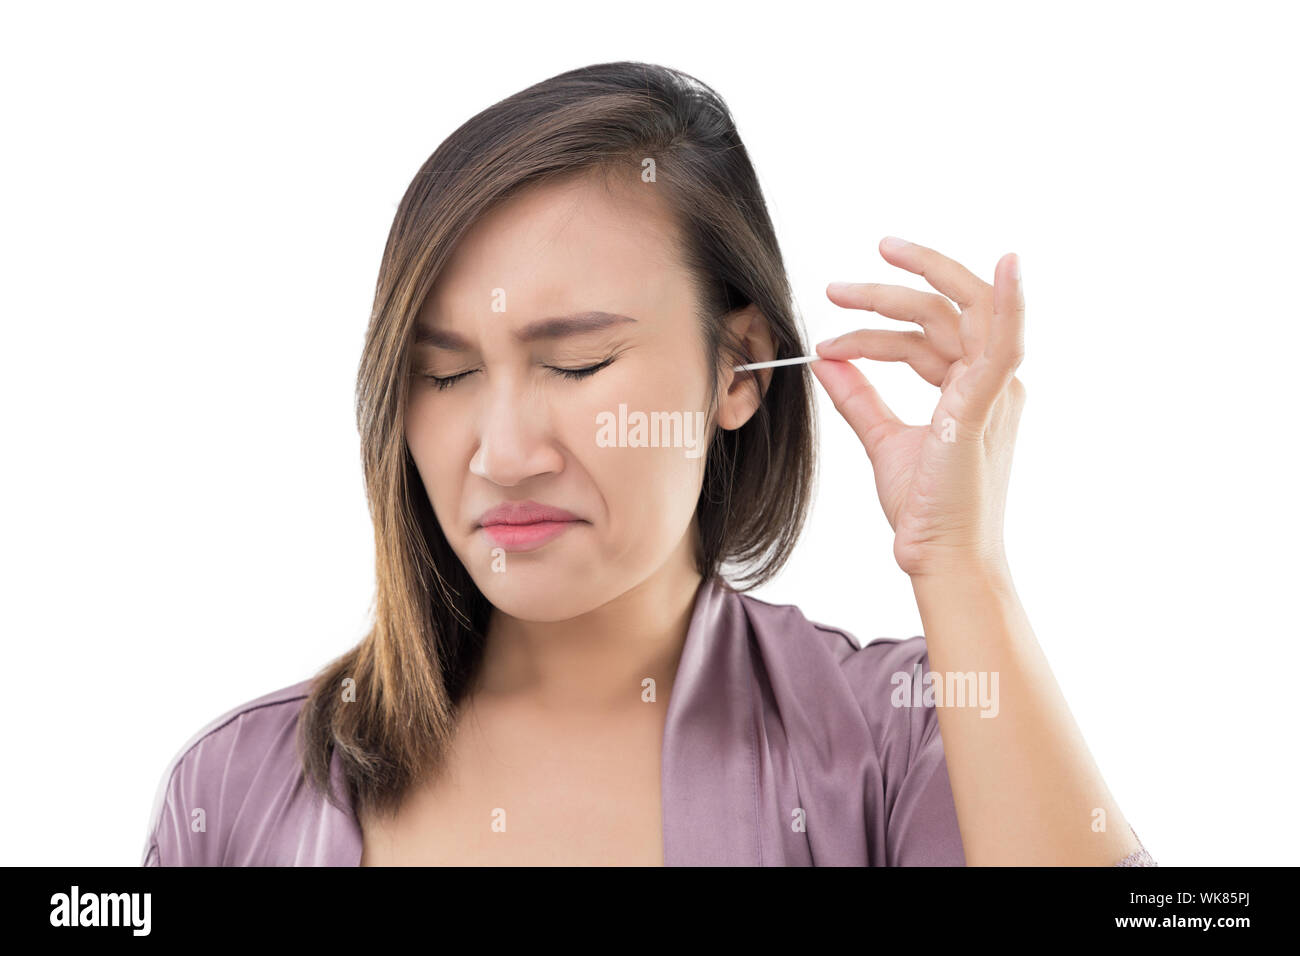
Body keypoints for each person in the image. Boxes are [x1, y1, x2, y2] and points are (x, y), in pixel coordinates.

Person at [142, 61, 1155, 867]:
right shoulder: (235, 790)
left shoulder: (895, 745)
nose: (501, 454)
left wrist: (961, 565)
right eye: (443, 375)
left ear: (741, 368)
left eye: (576, 362)